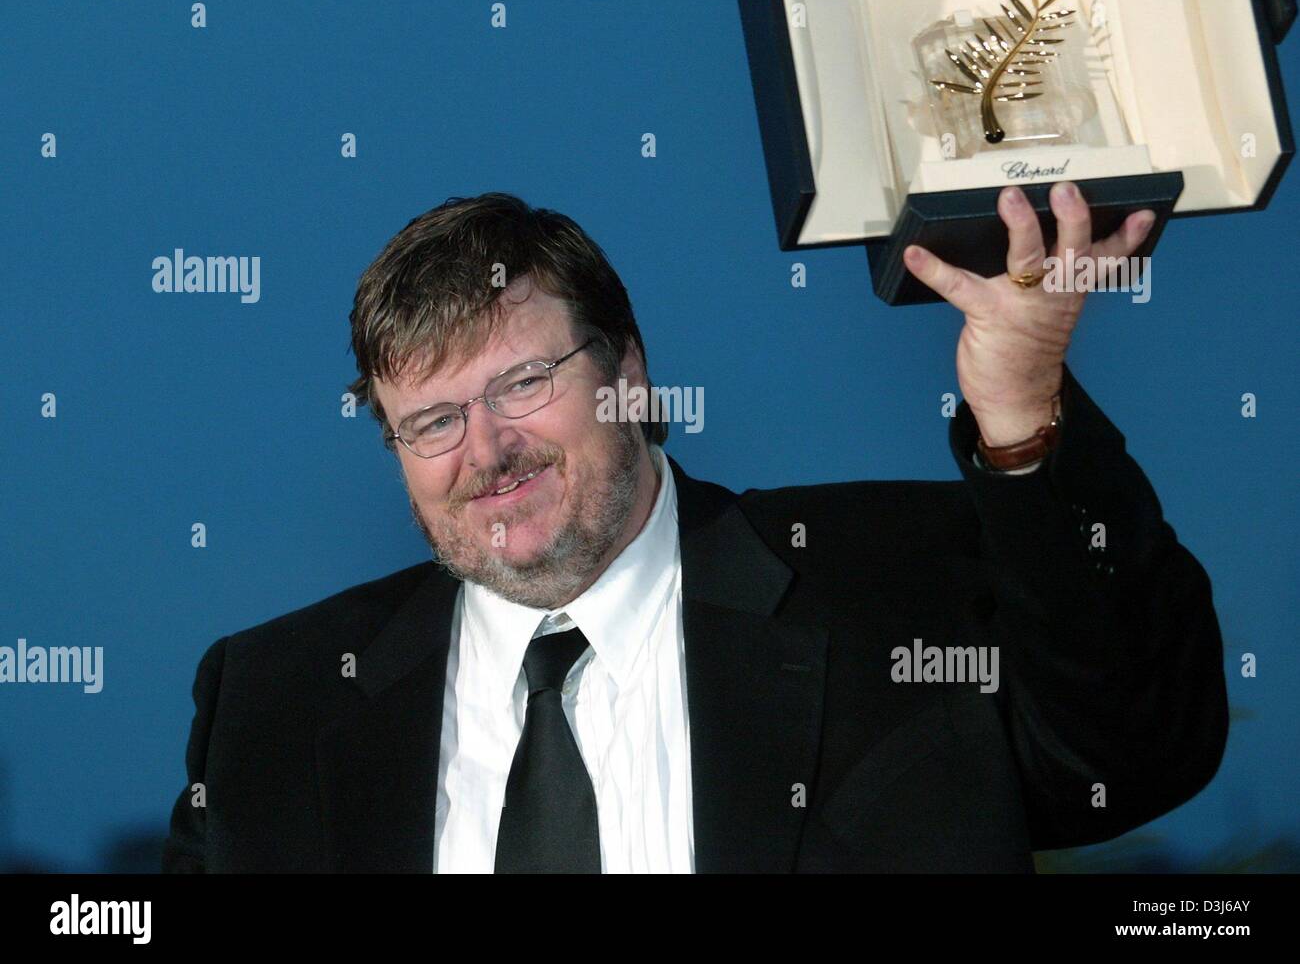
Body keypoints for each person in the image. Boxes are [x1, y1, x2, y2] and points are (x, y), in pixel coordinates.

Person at [162, 184, 1227, 873]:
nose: (484, 450)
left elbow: (1132, 751)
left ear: (628, 374)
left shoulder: (905, 582)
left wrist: (1023, 411)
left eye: (523, 383)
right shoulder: (272, 701)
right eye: (432, 420)